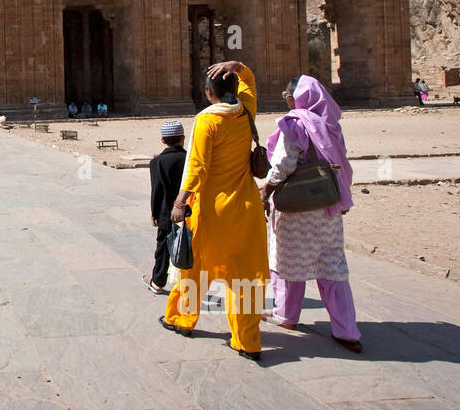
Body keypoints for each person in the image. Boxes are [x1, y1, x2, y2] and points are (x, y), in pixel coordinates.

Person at [163, 60, 268, 362]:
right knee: (245, 278)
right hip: (246, 207)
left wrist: (180, 202)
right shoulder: (245, 110)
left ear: (209, 92)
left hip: (212, 208)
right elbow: (250, 83)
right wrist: (238, 66)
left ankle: (182, 320)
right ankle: (248, 341)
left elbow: (197, 167)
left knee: (195, 270)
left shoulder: (207, 121)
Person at [261, 75, 361, 353]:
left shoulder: (296, 124)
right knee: (332, 265)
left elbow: (283, 163)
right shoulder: (330, 126)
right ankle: (347, 330)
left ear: (296, 97)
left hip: (297, 206)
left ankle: (286, 315)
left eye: (287, 94)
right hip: (327, 204)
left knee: (286, 259)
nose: (286, 99)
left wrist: (266, 188)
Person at [143, 121, 187, 295]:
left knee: (163, 247)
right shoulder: (190, 158)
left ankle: (158, 281)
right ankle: (190, 282)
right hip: (190, 209)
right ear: (182, 139)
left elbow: (157, 190)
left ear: (162, 140)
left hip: (166, 211)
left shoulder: (158, 162)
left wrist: (154, 213)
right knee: (191, 245)